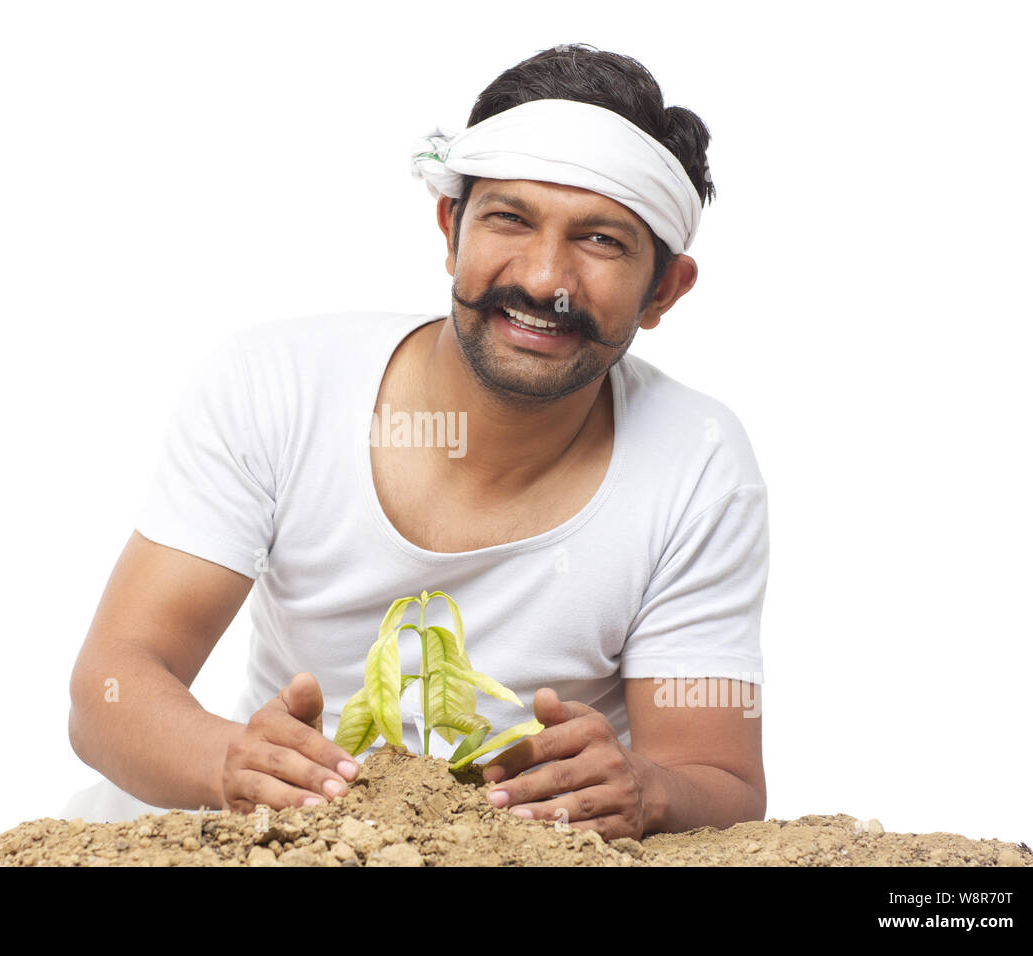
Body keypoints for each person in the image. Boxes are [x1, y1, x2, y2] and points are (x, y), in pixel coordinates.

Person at [66, 43, 769, 841]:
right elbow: (109, 687)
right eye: (509, 218)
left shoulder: (698, 461)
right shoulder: (277, 387)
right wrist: (227, 762)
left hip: (531, 849)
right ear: (450, 227)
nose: (544, 280)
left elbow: (723, 780)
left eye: (602, 240)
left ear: (664, 290)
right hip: (265, 839)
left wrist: (647, 790)